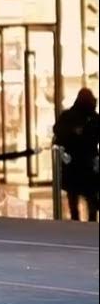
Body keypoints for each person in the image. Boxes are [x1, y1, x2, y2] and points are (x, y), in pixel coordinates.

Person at [53, 88, 98, 222]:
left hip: (72, 163)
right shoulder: (93, 118)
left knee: (74, 197)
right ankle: (91, 223)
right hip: (87, 162)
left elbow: (57, 131)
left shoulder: (68, 116)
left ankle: (76, 222)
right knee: (91, 198)